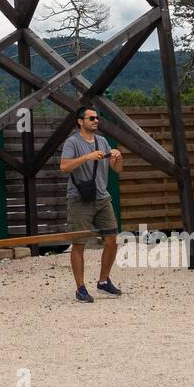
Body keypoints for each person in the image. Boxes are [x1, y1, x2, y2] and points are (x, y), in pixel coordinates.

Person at [59, 106, 123, 302]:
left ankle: (103, 281)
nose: (96, 121)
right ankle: (80, 288)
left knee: (112, 240)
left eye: (97, 118)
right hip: (79, 199)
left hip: (102, 197)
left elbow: (117, 170)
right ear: (80, 121)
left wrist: (118, 157)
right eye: (92, 118)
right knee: (78, 244)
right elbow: (64, 167)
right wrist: (87, 156)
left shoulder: (102, 141)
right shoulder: (72, 142)